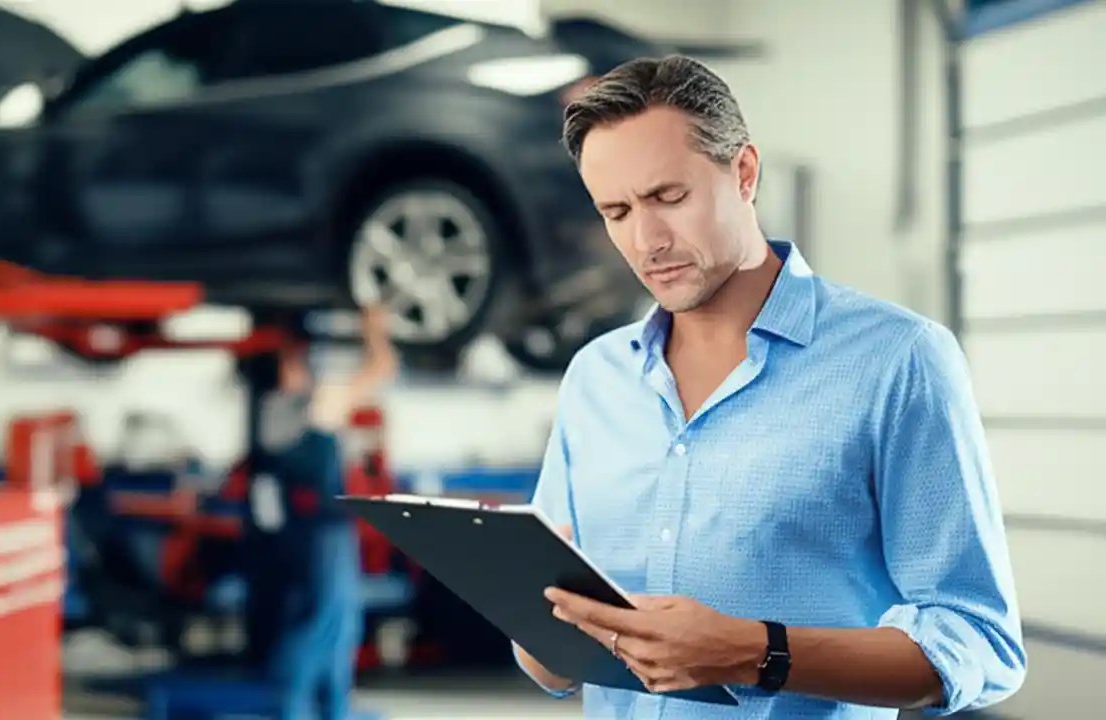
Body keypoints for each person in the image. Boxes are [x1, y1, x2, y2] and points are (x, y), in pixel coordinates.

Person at [512, 55, 1026, 719]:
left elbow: (981, 643)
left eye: (669, 197)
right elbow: (548, 654)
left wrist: (754, 653)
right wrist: (542, 627)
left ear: (744, 173)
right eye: (616, 211)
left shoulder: (898, 360)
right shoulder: (595, 377)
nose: (646, 240)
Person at [242, 305, 398, 719]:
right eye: (295, 356)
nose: (305, 362)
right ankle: (300, 705)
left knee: (333, 623)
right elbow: (381, 367)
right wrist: (374, 329)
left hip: (306, 530)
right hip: (326, 533)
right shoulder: (310, 408)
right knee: (329, 622)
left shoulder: (271, 413)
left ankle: (322, 707)